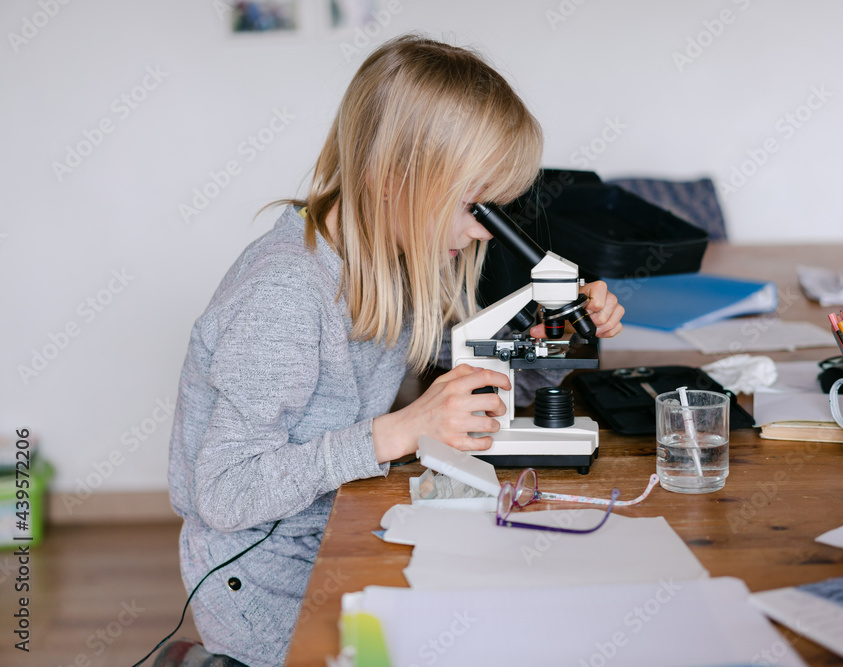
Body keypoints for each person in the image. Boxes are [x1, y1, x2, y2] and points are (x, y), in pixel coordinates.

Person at [166, 34, 624, 666]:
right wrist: (398, 431)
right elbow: (225, 491)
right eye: (473, 207)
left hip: (340, 525)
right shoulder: (285, 292)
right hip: (268, 588)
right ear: (394, 179)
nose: (478, 230)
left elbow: (414, 347)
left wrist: (537, 333)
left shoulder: (380, 260)